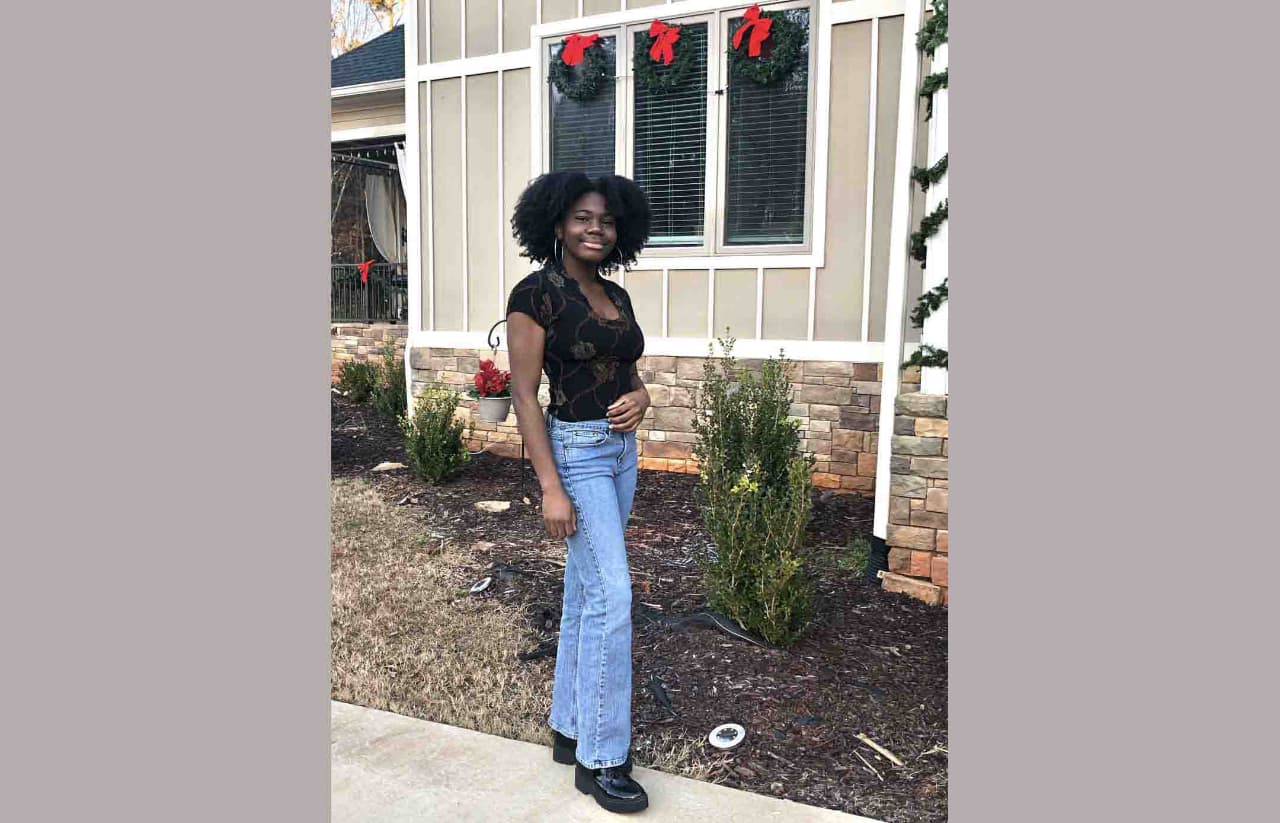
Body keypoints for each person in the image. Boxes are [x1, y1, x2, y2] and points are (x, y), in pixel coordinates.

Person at [505, 170, 652, 814]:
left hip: (622, 453)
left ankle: (570, 728)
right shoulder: (536, 294)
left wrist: (643, 396)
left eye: (607, 220)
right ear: (557, 224)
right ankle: (602, 758)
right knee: (613, 596)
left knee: (585, 592)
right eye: (583, 218)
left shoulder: (614, 293)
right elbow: (524, 395)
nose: (596, 229)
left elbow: (628, 370)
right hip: (577, 455)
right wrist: (549, 486)